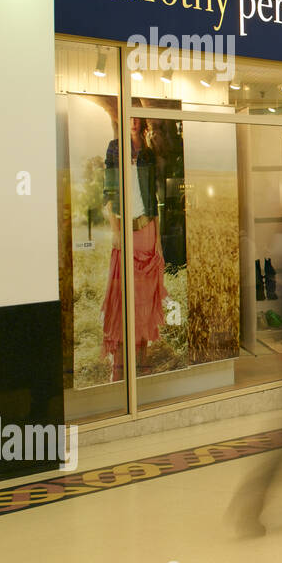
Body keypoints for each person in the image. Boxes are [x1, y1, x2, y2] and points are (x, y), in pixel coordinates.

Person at [102, 117, 165, 381]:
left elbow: (153, 198)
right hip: (125, 230)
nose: (134, 121)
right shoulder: (115, 148)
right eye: (129, 116)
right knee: (123, 294)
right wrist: (116, 231)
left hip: (147, 227)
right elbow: (107, 194)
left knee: (145, 296)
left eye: (138, 118)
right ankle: (120, 365)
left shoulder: (148, 153)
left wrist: (159, 241)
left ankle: (142, 360)